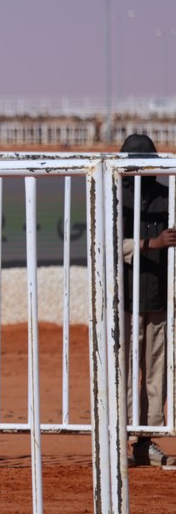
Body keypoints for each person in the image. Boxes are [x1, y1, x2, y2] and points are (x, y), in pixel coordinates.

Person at [120, 134, 176, 466]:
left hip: (157, 298)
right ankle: (119, 441)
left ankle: (145, 442)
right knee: (123, 373)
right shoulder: (114, 196)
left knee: (156, 374)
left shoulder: (168, 198)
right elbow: (107, 243)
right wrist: (150, 243)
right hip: (124, 301)